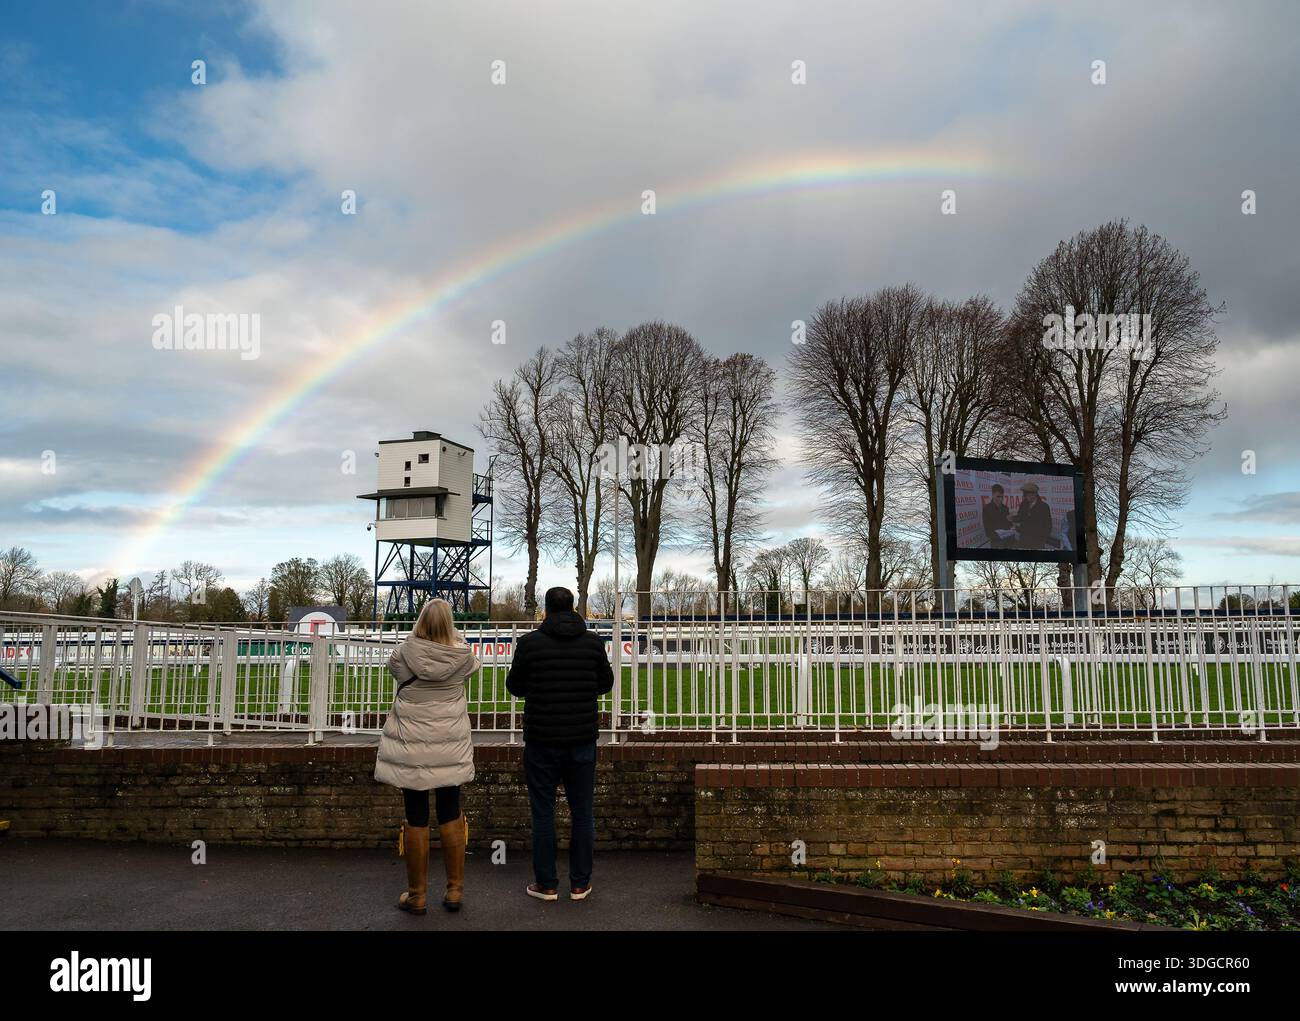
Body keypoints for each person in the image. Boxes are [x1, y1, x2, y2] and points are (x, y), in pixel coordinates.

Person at [506, 586, 614, 902]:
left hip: (541, 739)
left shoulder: (529, 644)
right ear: (574, 608)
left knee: (543, 813)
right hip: (581, 739)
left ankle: (547, 883)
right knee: (582, 812)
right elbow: (605, 684)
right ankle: (580, 882)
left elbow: (515, 687)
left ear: (546, 610)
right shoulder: (593, 643)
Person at [374, 598, 479, 915]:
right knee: (450, 811)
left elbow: (396, 670)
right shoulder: (462, 656)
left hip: (412, 743)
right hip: (449, 743)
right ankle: (454, 890)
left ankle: (417, 894)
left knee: (416, 814)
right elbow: (471, 669)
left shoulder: (403, 654)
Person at [1013, 482, 1053, 549]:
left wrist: (1042, 539)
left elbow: (1048, 526)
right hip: (1023, 540)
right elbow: (1020, 517)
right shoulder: (1023, 504)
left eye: (1029, 494)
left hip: (1037, 542)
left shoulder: (1044, 507)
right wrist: (1013, 518)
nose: (1026, 497)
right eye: (1025, 494)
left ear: (1035, 494)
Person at [981, 483, 1013, 548]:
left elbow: (1009, 525)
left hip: (1009, 541)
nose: (1000, 499)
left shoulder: (1005, 508)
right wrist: (1000, 535)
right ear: (992, 495)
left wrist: (1011, 524)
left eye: (1002, 497)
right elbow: (988, 531)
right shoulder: (987, 509)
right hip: (996, 543)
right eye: (998, 496)